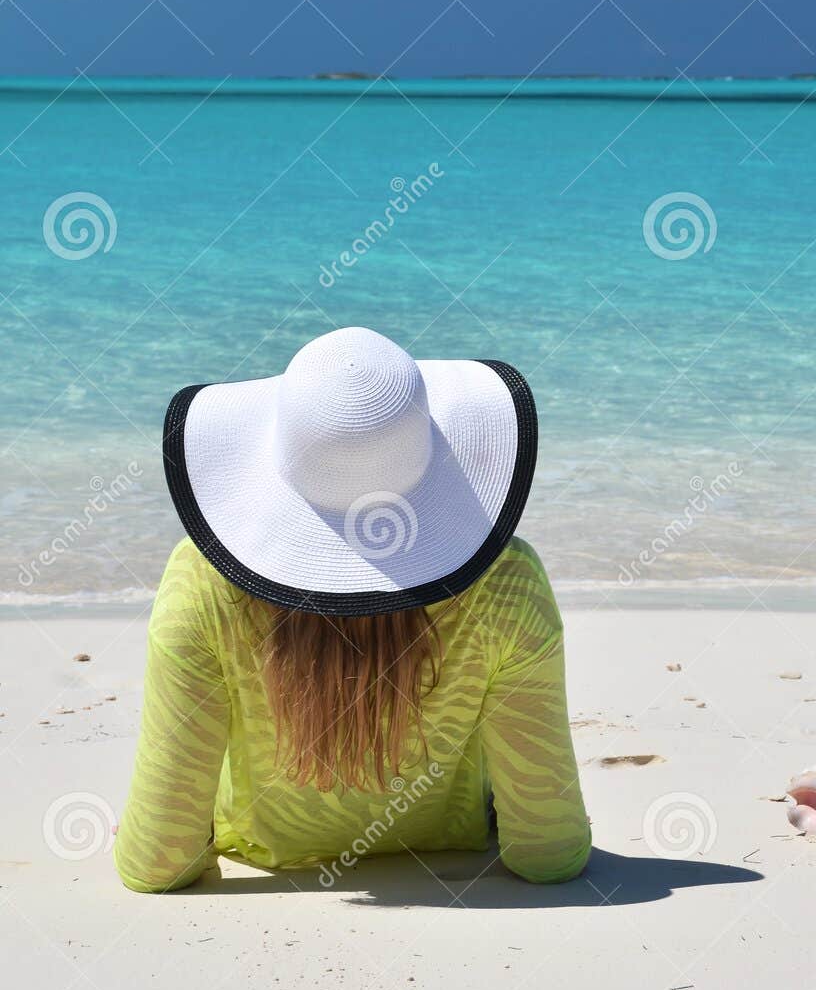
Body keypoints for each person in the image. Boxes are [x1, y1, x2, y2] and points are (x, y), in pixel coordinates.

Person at [114, 326, 591, 893]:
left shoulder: (203, 581)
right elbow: (547, 855)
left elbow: (156, 866)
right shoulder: (507, 583)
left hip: (265, 854)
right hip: (449, 843)